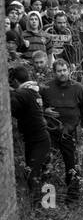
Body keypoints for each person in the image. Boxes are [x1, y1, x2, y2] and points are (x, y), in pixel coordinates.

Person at [39, 58, 83, 203]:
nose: (62, 73)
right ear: (54, 73)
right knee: (47, 165)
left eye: (64, 70)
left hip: (70, 133)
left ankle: (72, 199)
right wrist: (44, 111)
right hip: (50, 132)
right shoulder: (46, 88)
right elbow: (35, 108)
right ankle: (48, 201)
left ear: (69, 70)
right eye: (59, 71)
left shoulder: (78, 88)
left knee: (72, 166)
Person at [9, 72, 50, 203]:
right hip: (37, 140)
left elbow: (10, 105)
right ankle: (44, 206)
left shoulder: (23, 94)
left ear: (15, 81)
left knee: (33, 175)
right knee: (38, 173)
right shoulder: (32, 92)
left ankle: (38, 207)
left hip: (38, 141)